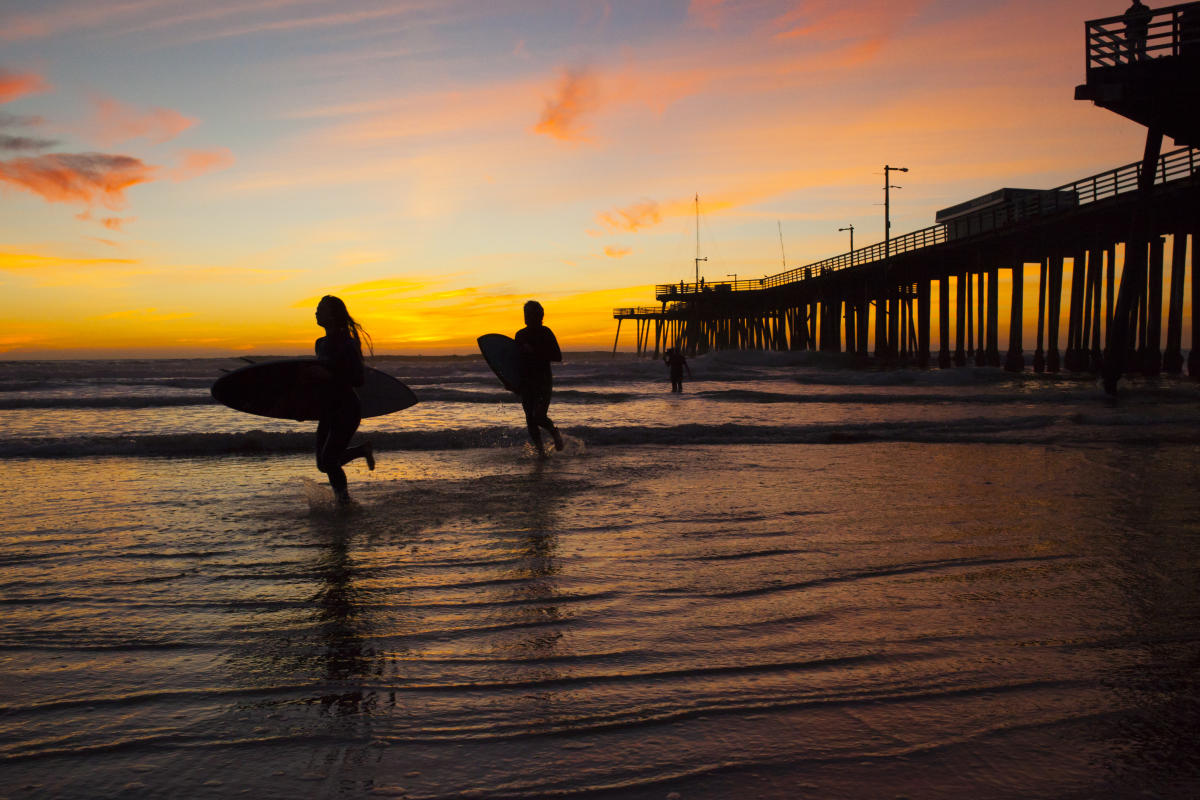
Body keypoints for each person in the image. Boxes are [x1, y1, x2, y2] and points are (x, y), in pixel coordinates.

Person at [313, 295, 374, 504]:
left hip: (346, 408)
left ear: (332, 314)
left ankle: (344, 503)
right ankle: (361, 450)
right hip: (328, 409)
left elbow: (358, 379)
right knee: (323, 463)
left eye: (320, 308)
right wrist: (301, 409)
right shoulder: (320, 344)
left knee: (329, 460)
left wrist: (331, 375)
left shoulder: (347, 344)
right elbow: (319, 383)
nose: (316, 312)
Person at [515, 300, 564, 458]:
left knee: (539, 416)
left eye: (530, 314)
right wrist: (510, 381)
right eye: (525, 314)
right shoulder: (520, 335)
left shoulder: (545, 332)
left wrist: (534, 351)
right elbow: (514, 361)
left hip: (543, 380)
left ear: (539, 316)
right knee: (530, 419)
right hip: (526, 381)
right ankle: (541, 452)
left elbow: (557, 356)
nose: (526, 317)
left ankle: (554, 432)